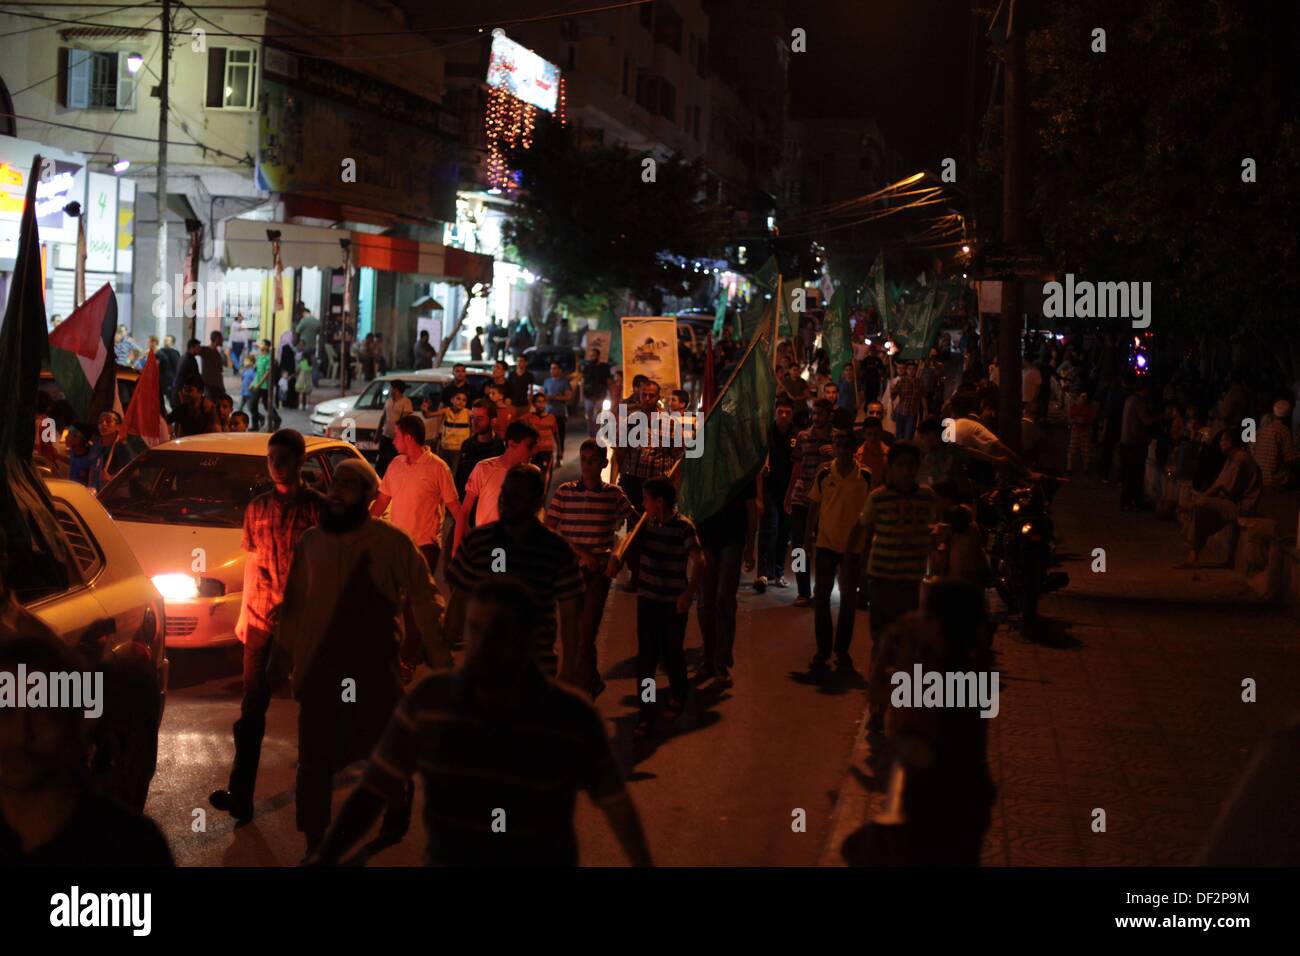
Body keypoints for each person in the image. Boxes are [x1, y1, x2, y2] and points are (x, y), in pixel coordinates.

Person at [306, 577, 652, 867]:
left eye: (499, 630)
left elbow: (615, 804)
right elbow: (374, 789)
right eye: (475, 629)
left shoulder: (571, 717)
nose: (484, 643)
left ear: (529, 637)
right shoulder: (429, 703)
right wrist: (326, 857)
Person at [277, 459, 449, 856]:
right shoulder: (311, 543)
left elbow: (425, 598)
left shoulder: (392, 542)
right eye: (334, 482)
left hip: (374, 672)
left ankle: (398, 804)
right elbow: (293, 606)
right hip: (320, 672)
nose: (336, 491)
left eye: (349, 485)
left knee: (384, 752)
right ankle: (315, 843)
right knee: (314, 763)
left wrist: (439, 659)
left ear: (369, 496)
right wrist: (280, 659)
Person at [209, 429, 325, 824]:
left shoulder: (316, 509)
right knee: (251, 711)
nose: (275, 466)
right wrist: (244, 613)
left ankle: (314, 799)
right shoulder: (257, 507)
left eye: (283, 459)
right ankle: (240, 794)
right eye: (270, 458)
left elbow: (324, 572)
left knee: (312, 712)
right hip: (259, 618)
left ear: (300, 461)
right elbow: (252, 561)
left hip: (302, 626)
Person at [0, 627, 174, 866]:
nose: (20, 735)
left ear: (75, 722)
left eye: (41, 713)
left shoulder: (130, 850)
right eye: (5, 712)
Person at [447, 466, 583, 678]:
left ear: (537, 503)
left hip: (535, 673)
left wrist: (569, 671)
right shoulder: (476, 542)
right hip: (483, 672)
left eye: (517, 495)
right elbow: (458, 601)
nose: (507, 500)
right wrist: (444, 652)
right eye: (506, 492)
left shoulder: (557, 550)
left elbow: (570, 615)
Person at [609, 477, 705, 738]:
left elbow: (700, 561)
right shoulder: (646, 525)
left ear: (659, 502)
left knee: (672, 653)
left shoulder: (684, 527)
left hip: (673, 602)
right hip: (648, 600)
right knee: (647, 659)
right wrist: (618, 557)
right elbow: (627, 542)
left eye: (646, 499)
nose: (643, 504)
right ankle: (646, 711)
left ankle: (679, 693)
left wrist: (688, 594)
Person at [857, 441, 937, 732]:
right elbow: (863, 530)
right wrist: (857, 574)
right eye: (900, 465)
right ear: (891, 468)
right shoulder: (878, 498)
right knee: (881, 642)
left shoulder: (927, 499)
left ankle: (901, 705)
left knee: (907, 645)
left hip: (910, 582)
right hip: (881, 579)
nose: (905, 471)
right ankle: (877, 704)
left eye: (910, 466)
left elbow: (934, 533)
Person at [546, 439, 635, 698]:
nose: (586, 465)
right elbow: (550, 531)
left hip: (598, 574)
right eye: (583, 460)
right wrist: (581, 552)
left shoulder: (613, 495)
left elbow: (634, 528)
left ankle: (581, 693)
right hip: (570, 572)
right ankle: (591, 680)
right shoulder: (564, 492)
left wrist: (618, 556)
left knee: (586, 633)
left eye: (592, 460)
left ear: (604, 464)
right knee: (573, 635)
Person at [808, 427, 873, 671]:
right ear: (834, 447)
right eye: (838, 444)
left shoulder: (866, 476)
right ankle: (823, 649)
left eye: (847, 445)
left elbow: (870, 513)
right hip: (826, 543)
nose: (843, 449)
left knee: (848, 600)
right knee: (822, 597)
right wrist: (806, 541)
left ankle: (842, 650)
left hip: (853, 548)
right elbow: (814, 506)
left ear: (854, 448)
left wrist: (867, 543)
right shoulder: (824, 473)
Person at [371, 414, 462, 577]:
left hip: (425, 547)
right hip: (398, 543)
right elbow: (382, 501)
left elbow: (456, 510)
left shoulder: (438, 468)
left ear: (408, 438)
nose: (393, 441)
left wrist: (459, 545)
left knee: (419, 598)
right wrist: (363, 525)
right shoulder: (396, 464)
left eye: (396, 436)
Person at [694, 475, 756, 685]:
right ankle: (708, 658)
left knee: (723, 598)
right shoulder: (703, 464)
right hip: (706, 537)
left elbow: (751, 507)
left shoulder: (741, 468)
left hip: (732, 537)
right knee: (706, 601)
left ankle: (721, 660)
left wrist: (750, 546)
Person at [1181, 429, 1262, 568]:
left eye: (1222, 440)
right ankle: (1193, 556)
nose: (1220, 444)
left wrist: (1197, 501)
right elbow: (1219, 485)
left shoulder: (1240, 459)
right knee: (1201, 512)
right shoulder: (1232, 458)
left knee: (1201, 503)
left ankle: (1192, 547)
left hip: (1242, 506)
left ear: (1229, 442)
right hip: (1232, 502)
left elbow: (1224, 488)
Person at [784, 398, 835, 606]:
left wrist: (835, 452)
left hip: (825, 499)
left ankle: (821, 589)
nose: (816, 417)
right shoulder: (803, 436)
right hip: (802, 495)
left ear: (828, 415)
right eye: (814, 413)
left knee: (823, 545)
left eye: (820, 414)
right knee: (798, 545)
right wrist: (789, 494)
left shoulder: (835, 440)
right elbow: (796, 467)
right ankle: (803, 590)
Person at [458, 420, 539, 549]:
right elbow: (465, 510)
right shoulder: (484, 468)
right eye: (530, 446)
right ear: (512, 444)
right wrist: (458, 546)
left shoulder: (532, 473)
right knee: (498, 568)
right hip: (492, 544)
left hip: (517, 546)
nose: (534, 451)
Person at [756, 397, 797, 592]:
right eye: (780, 411)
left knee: (784, 533)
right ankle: (763, 573)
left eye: (787, 413)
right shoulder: (766, 433)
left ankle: (779, 573)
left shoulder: (796, 435)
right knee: (768, 530)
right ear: (775, 412)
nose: (783, 416)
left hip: (789, 490)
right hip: (769, 490)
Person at [1120, 380, 1163, 510]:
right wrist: (1161, 418)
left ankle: (1129, 501)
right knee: (1134, 474)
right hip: (1134, 443)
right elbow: (1147, 421)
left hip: (1127, 441)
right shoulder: (1138, 402)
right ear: (1144, 390)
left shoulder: (1129, 400)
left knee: (1129, 474)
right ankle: (1131, 502)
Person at [454, 399, 505, 497]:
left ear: (493, 421)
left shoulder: (501, 447)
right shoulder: (467, 444)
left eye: (480, 418)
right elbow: (459, 477)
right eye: (473, 417)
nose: (474, 422)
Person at [1251, 400, 1297, 488]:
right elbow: (1290, 458)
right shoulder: (1283, 430)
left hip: (1258, 478)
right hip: (1274, 479)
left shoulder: (1261, 430)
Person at [522, 390, 559, 487]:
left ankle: (542, 499)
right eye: (538, 401)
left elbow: (556, 434)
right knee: (532, 475)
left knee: (545, 476)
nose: (541, 404)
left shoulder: (551, 418)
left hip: (547, 451)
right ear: (534, 404)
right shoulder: (529, 417)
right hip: (533, 451)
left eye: (543, 401)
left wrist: (559, 452)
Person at [166, 373, 221, 437]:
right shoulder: (182, 409)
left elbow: (217, 431)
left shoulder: (209, 408)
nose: (186, 393)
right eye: (185, 389)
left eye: (190, 390)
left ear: (200, 392)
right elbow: (165, 421)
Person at [377, 380, 413, 476]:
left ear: (397, 389)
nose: (390, 390)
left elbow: (404, 420)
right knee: (381, 460)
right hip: (385, 435)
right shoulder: (388, 401)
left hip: (396, 438)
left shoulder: (406, 402)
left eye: (392, 388)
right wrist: (378, 433)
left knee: (392, 461)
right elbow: (383, 417)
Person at [437, 389, 471, 474]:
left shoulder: (468, 413)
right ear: (452, 400)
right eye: (458, 398)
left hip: (459, 449)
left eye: (464, 400)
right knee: (443, 473)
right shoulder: (447, 410)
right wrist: (425, 410)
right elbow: (429, 415)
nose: (461, 402)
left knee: (455, 473)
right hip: (445, 447)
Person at [543, 361, 572, 461]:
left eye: (555, 368)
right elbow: (543, 395)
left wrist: (554, 397)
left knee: (560, 436)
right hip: (548, 413)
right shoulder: (547, 381)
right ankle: (550, 457)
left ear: (559, 370)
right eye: (551, 368)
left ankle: (560, 456)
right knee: (548, 437)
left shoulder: (564, 382)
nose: (552, 370)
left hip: (560, 413)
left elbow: (568, 397)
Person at [1066, 387, 1098, 475]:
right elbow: (1069, 418)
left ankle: (1086, 468)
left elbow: (1092, 419)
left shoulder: (1089, 408)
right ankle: (1069, 467)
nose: (1084, 398)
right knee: (1072, 449)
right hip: (1076, 431)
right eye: (1082, 396)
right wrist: (1076, 420)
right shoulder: (1074, 407)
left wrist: (1085, 421)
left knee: (1086, 450)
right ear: (1078, 397)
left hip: (1085, 432)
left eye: (1085, 397)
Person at [582, 348, 612, 438]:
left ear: (598, 356)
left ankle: (596, 434)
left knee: (598, 416)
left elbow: (608, 381)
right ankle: (590, 434)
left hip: (600, 395)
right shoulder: (586, 367)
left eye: (593, 355)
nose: (592, 357)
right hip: (589, 396)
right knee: (589, 417)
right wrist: (581, 396)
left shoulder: (604, 367)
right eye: (591, 356)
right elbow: (583, 382)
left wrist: (611, 394)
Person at [890, 361, 922, 440]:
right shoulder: (901, 381)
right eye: (909, 369)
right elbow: (893, 397)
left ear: (916, 370)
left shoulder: (919, 382)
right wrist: (892, 390)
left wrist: (925, 411)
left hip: (912, 413)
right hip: (901, 412)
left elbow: (922, 397)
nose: (911, 371)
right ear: (907, 370)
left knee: (908, 437)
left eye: (913, 369)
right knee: (899, 436)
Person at [250, 339, 272, 430]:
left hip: (264, 386)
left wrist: (259, 384)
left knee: (267, 405)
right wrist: (253, 383)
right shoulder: (259, 357)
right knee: (253, 405)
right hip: (257, 384)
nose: (260, 345)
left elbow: (267, 374)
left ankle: (276, 419)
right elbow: (257, 372)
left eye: (262, 344)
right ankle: (255, 425)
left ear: (267, 346)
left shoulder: (269, 358)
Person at [199, 330, 227, 402]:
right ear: (217, 339)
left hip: (217, 385)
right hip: (209, 385)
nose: (222, 340)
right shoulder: (204, 350)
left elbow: (219, 371)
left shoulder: (218, 353)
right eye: (221, 338)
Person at [173, 338, 202, 405]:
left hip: (177, 391)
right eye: (198, 347)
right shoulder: (190, 359)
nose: (200, 349)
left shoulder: (183, 356)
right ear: (192, 348)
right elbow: (196, 377)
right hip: (182, 394)